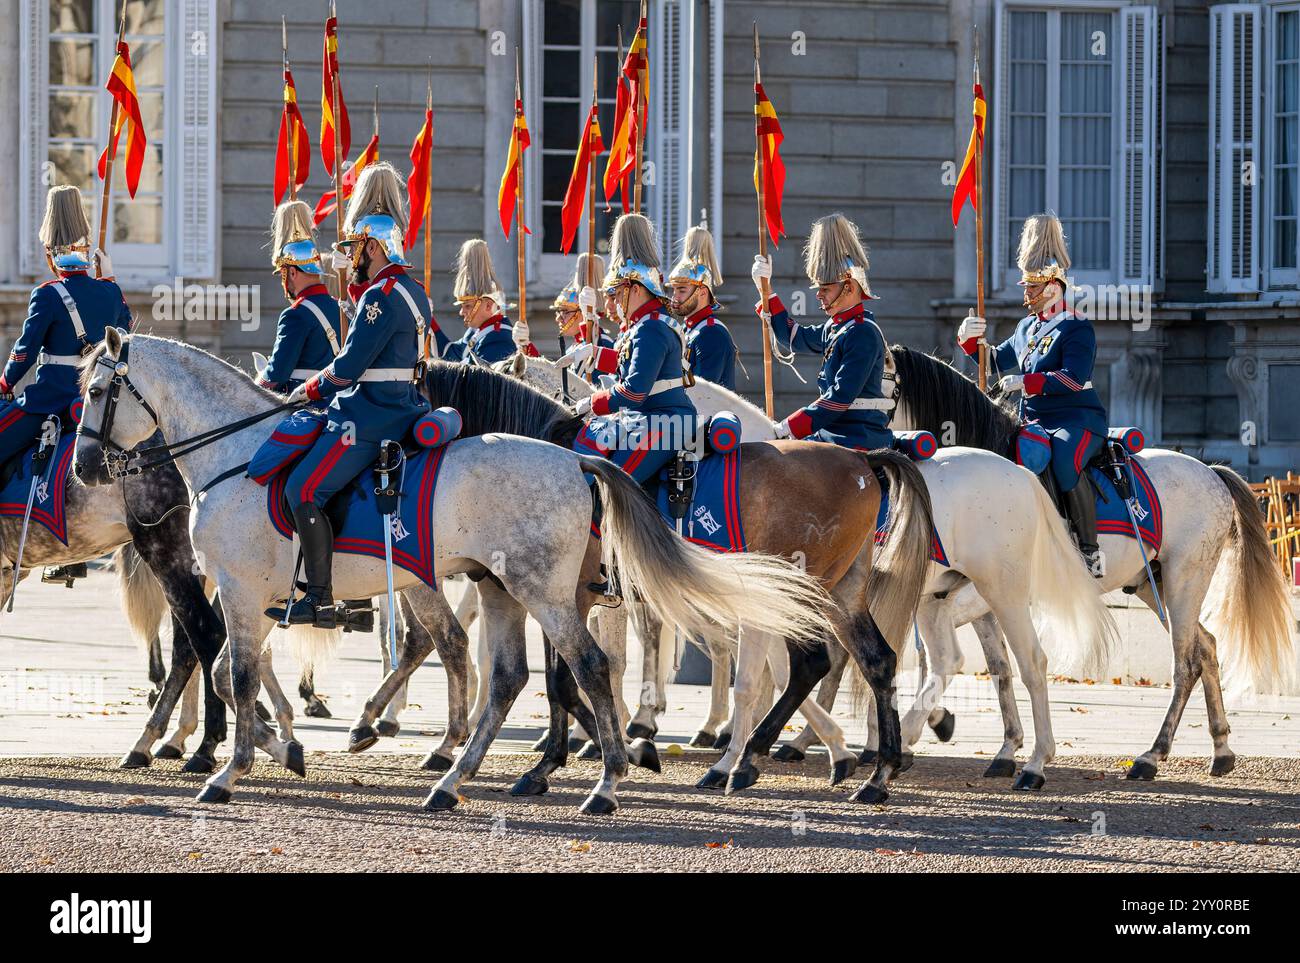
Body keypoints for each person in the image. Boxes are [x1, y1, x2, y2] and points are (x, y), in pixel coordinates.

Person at [266, 162, 431, 627]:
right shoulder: (413, 290)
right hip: (406, 404)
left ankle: (319, 597)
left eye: (357, 247)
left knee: (302, 488)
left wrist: (306, 388)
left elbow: (349, 367)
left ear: (373, 246)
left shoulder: (380, 296)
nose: (352, 256)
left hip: (369, 414)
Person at [957, 212, 1109, 576]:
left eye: (1031, 287)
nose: (1025, 294)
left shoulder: (1076, 327)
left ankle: (1089, 551)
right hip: (1035, 420)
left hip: (1076, 419)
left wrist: (1029, 383)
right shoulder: (1027, 327)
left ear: (1053, 287)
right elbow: (996, 360)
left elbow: (1074, 378)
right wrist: (968, 340)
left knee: (1063, 462)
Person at [0, 185, 131, 465]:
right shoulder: (110, 292)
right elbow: (125, 332)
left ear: (51, 254)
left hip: (50, 400)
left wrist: (5, 381)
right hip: (94, 404)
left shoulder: (47, 294)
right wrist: (109, 279)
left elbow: (25, 350)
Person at [569, 213, 695, 486]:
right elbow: (627, 362)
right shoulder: (643, 325)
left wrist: (593, 402)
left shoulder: (651, 328)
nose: (611, 303)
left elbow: (634, 390)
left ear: (635, 289)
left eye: (615, 294)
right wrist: (592, 352)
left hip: (665, 422)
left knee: (612, 482)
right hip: (647, 418)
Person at [751, 212, 893, 450]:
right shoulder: (836, 326)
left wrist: (790, 426)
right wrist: (766, 292)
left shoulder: (862, 332)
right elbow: (795, 338)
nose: (818, 294)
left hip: (856, 435)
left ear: (848, 287)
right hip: (831, 431)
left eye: (825, 288)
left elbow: (841, 396)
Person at [257, 200, 340, 393]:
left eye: (284, 273)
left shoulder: (296, 314)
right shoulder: (341, 308)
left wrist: (256, 386)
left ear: (292, 272)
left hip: (304, 405)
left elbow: (276, 376)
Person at [439, 239, 531, 364]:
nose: (461, 312)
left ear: (488, 305)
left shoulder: (498, 337)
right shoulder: (476, 331)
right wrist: (427, 319)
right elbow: (451, 354)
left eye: (467, 306)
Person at [668, 225, 736, 389]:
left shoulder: (712, 333)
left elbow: (702, 392)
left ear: (703, 293)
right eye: (674, 290)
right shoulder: (688, 328)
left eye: (682, 290)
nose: (675, 296)